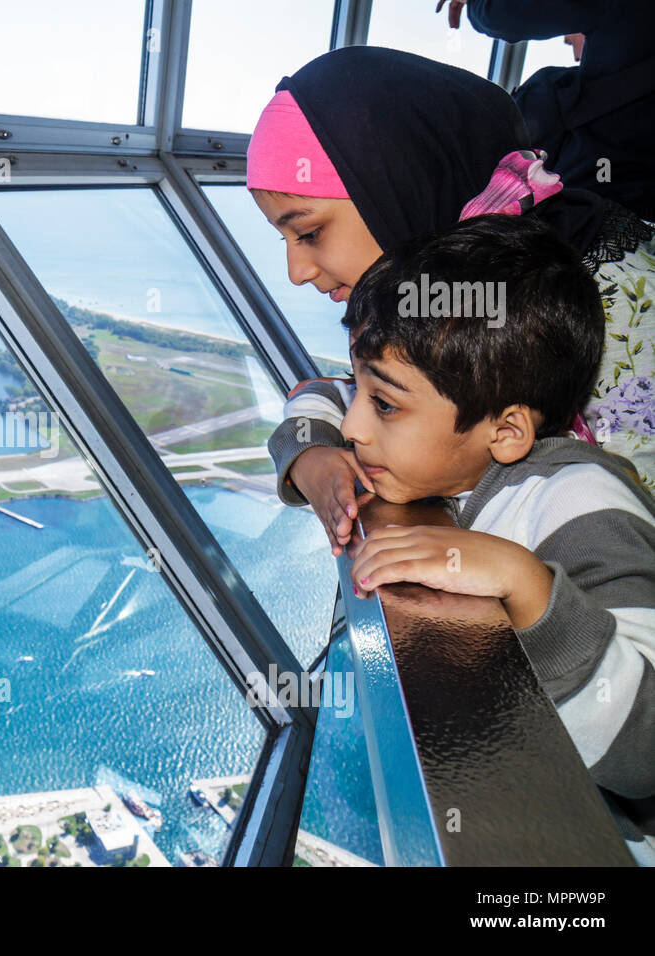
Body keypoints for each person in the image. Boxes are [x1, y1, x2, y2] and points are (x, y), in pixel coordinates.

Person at [246, 46, 655, 559]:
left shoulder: (608, 310)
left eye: (308, 232)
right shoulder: (442, 300)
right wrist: (306, 451)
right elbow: (359, 395)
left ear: (397, 182)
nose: (296, 272)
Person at [334, 213, 655, 864]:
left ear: (507, 432)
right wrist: (308, 460)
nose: (352, 426)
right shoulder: (452, 456)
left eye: (384, 403)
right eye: (357, 389)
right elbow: (313, 398)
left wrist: (526, 584)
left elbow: (647, 754)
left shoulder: (580, 502)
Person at [439, 0, 655, 221]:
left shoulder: (551, 94)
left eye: (568, 41)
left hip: (601, 196)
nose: (577, 57)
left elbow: (508, 14)